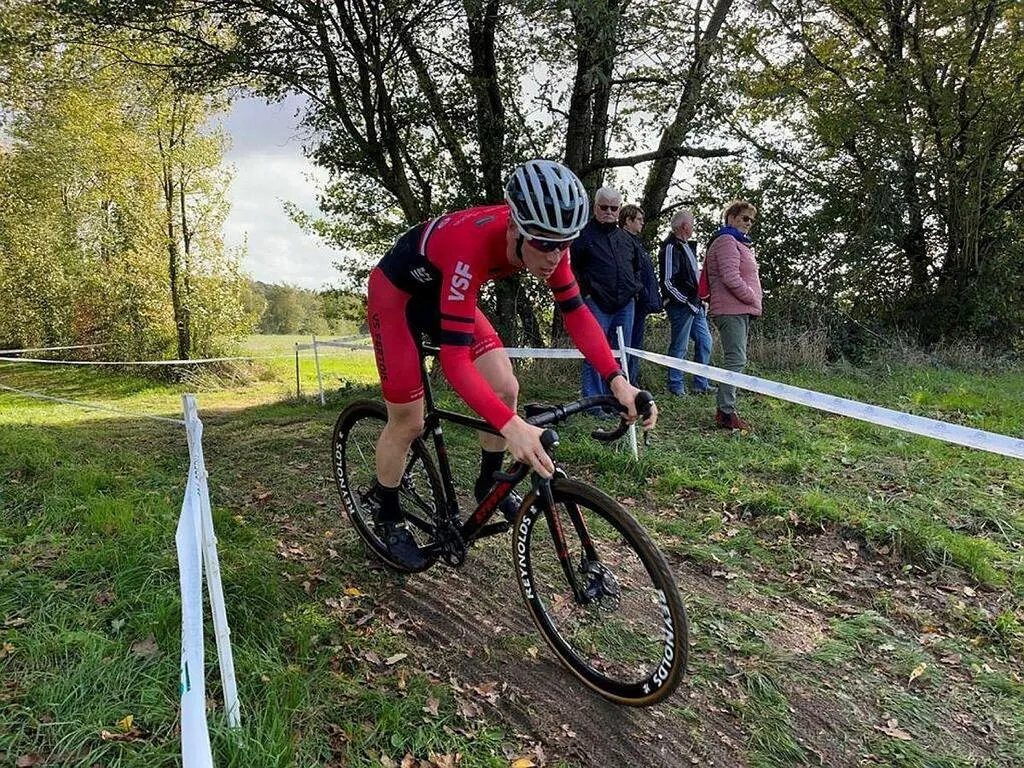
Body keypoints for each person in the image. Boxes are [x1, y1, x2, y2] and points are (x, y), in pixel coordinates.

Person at [365, 159, 658, 568]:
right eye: (544, 243)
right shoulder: (471, 246)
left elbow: (575, 313)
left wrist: (616, 380)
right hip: (397, 296)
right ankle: (388, 514)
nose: (555, 256)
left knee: (506, 388)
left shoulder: (551, 244)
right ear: (516, 228)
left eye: (565, 243)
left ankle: (487, 484)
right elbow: (454, 361)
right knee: (409, 422)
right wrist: (512, 426)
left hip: (446, 292)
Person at [570, 186, 644, 417]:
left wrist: (634, 291)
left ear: (619, 209)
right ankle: (593, 403)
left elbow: (636, 267)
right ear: (595, 208)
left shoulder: (626, 238)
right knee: (595, 351)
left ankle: (617, 400)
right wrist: (587, 293)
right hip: (596, 303)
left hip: (625, 303)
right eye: (604, 207)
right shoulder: (581, 235)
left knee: (621, 353)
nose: (609, 211)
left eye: (614, 207)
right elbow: (573, 268)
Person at [705, 199, 762, 431]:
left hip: (739, 309)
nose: (748, 223)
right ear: (731, 217)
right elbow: (730, 277)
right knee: (736, 360)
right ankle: (726, 413)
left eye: (751, 220)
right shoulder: (727, 241)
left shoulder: (739, 242)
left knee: (737, 359)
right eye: (744, 218)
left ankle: (727, 410)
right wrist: (752, 297)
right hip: (731, 309)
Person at [657, 209, 709, 396]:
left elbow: (694, 277)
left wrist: (701, 299)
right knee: (680, 346)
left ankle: (701, 384)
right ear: (685, 226)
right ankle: (675, 385)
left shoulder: (688, 247)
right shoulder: (670, 247)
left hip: (696, 305)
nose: (694, 227)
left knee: (705, 343)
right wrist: (685, 301)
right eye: (692, 223)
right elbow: (668, 282)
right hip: (682, 306)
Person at [619, 204, 662, 386]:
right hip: (632, 301)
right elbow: (630, 273)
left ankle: (632, 381)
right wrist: (642, 293)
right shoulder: (622, 241)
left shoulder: (637, 243)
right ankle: (626, 382)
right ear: (628, 220)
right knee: (628, 345)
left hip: (641, 302)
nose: (642, 223)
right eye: (639, 220)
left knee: (636, 344)